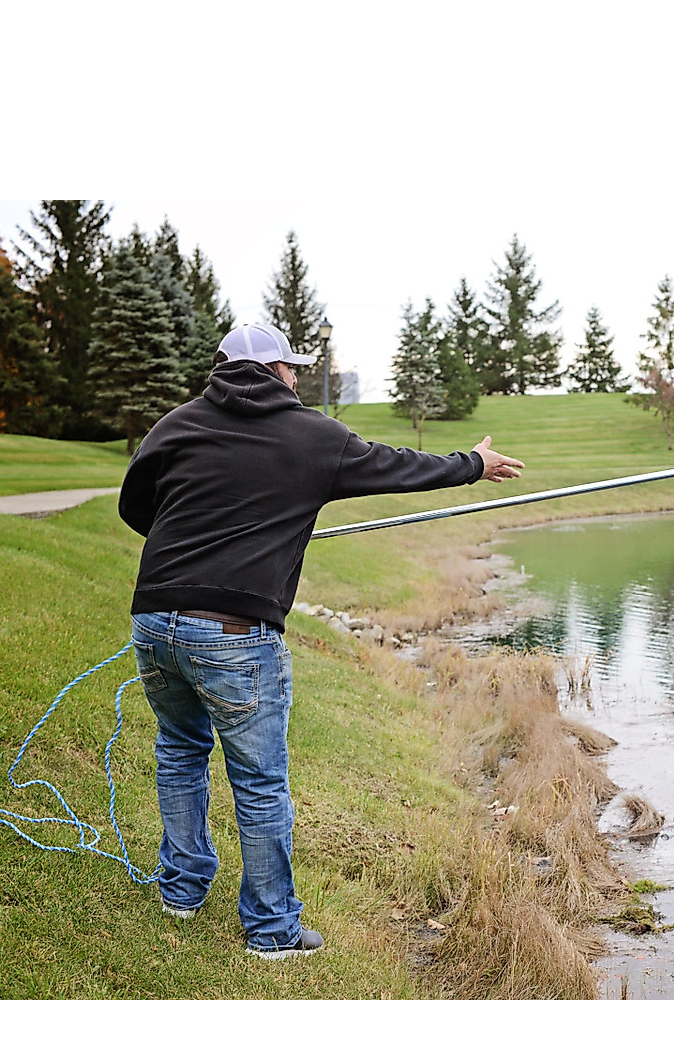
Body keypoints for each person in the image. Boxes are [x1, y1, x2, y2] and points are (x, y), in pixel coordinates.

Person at [118, 323, 524, 960]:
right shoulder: (314, 435)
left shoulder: (176, 424)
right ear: (277, 371)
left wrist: (204, 532)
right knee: (259, 781)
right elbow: (400, 467)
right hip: (233, 633)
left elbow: (136, 508)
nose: (298, 377)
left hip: (153, 620)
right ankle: (272, 931)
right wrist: (474, 464)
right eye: (293, 368)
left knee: (180, 749)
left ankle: (182, 891)